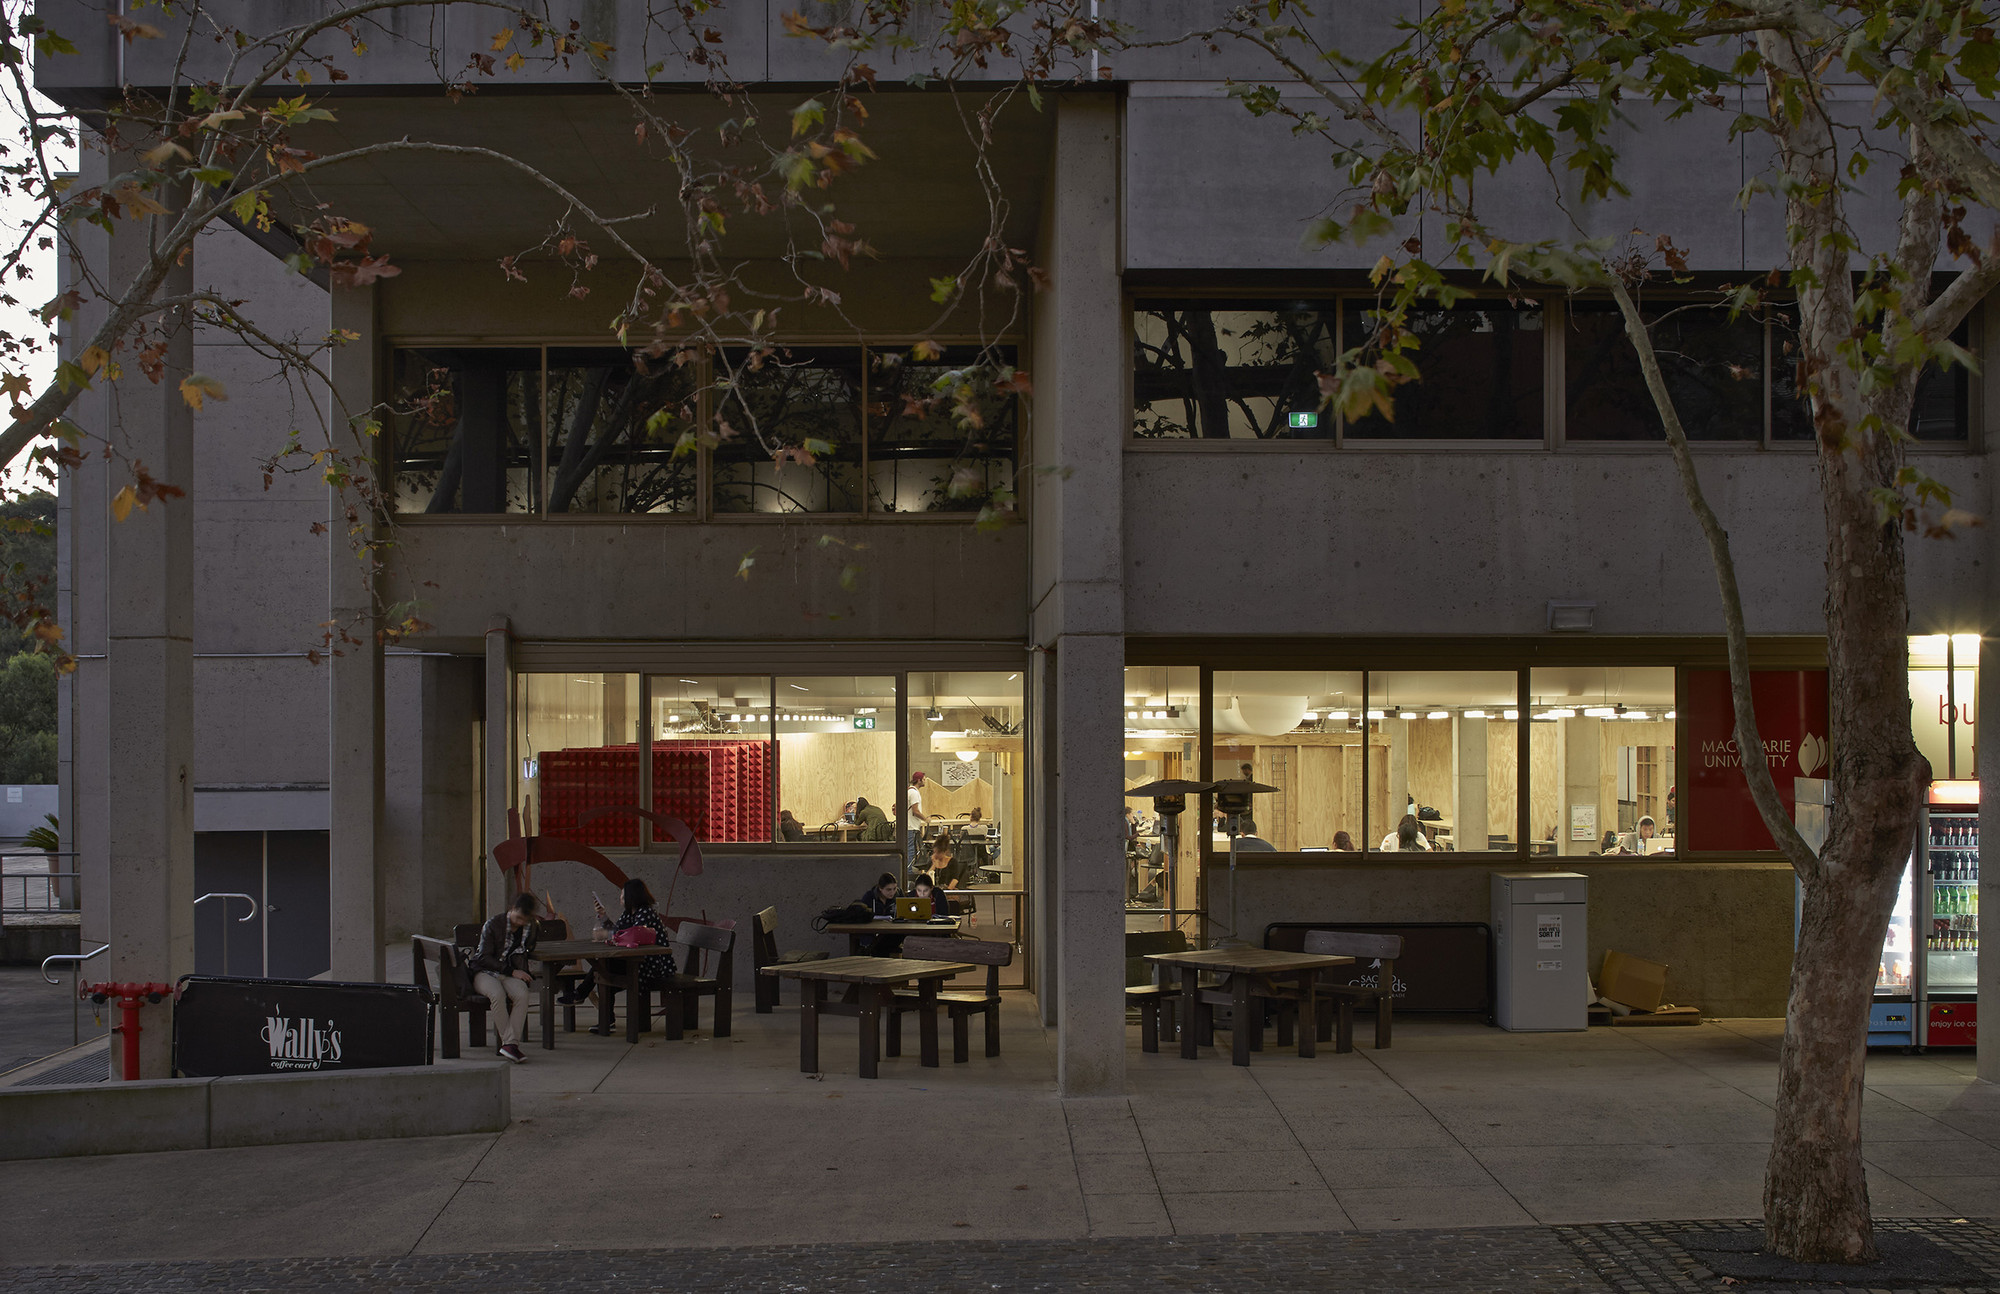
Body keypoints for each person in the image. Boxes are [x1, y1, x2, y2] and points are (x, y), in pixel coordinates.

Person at [583, 878, 676, 1037]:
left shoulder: (646, 913)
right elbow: (617, 932)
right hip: (636, 961)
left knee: (605, 969)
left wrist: (607, 935)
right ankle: (605, 1018)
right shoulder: (629, 913)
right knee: (603, 969)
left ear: (632, 897)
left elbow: (632, 937)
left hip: (652, 964)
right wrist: (602, 915)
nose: (620, 898)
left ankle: (581, 995)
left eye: (623, 895)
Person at [467, 892, 539, 1063]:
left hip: (508, 973)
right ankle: (510, 1044)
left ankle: (509, 1045)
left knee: (522, 993)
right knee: (496, 994)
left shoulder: (530, 927)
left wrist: (520, 971)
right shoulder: (493, 924)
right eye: (519, 917)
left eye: (525, 920)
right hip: (483, 972)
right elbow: (483, 957)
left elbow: (525, 951)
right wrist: (512, 971)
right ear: (511, 909)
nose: (520, 923)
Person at [858, 872, 904, 956]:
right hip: (871, 931)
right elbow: (861, 914)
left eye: (894, 888)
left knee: (900, 935)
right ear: (880, 888)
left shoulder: (899, 895)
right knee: (875, 944)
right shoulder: (869, 897)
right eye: (888, 889)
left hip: (890, 932)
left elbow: (904, 911)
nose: (892, 892)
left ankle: (876, 951)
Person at [907, 772, 931, 867]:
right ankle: (908, 872)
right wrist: (926, 819)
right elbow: (915, 811)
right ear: (919, 780)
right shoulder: (913, 793)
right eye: (924, 779)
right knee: (911, 850)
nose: (925, 781)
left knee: (911, 849)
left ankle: (908, 871)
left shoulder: (910, 791)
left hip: (910, 826)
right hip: (911, 827)